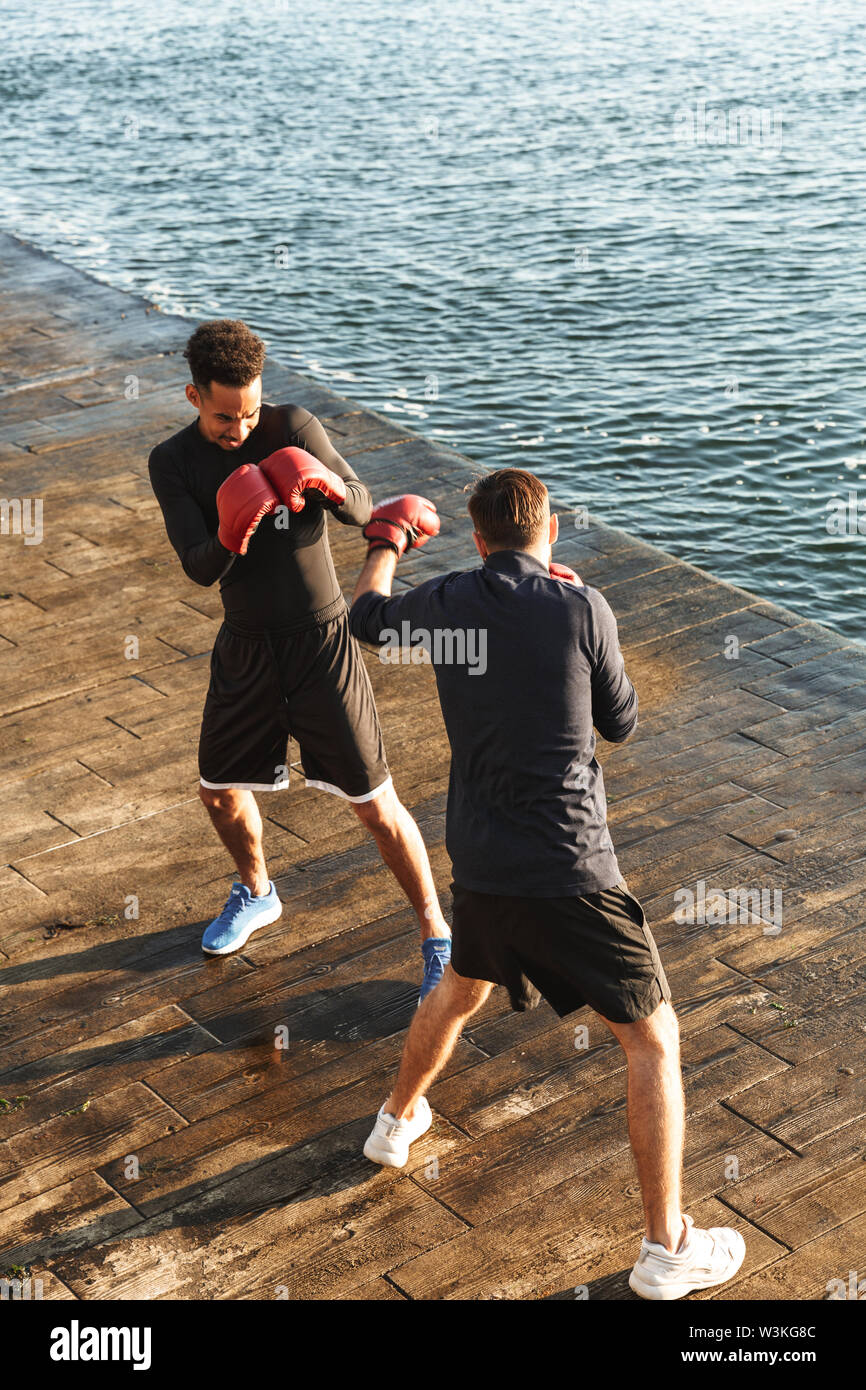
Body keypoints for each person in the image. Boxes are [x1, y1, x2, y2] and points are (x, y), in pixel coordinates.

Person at [348, 468, 746, 1300]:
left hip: (484, 861)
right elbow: (621, 723)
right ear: (552, 531)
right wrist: (584, 617)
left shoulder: (451, 602)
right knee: (651, 1037)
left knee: (461, 984)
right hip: (570, 868)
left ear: (479, 536)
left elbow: (367, 624)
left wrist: (385, 542)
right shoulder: (581, 608)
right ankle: (668, 1247)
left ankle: (393, 1125)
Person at [147, 319, 451, 998]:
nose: (241, 427)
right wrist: (233, 529)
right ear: (194, 397)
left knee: (375, 804)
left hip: (322, 643)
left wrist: (328, 487)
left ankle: (437, 933)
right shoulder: (172, 463)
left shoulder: (292, 426)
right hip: (247, 645)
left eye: (250, 410)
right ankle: (257, 891)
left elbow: (364, 505)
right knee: (218, 791)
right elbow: (199, 568)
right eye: (226, 416)